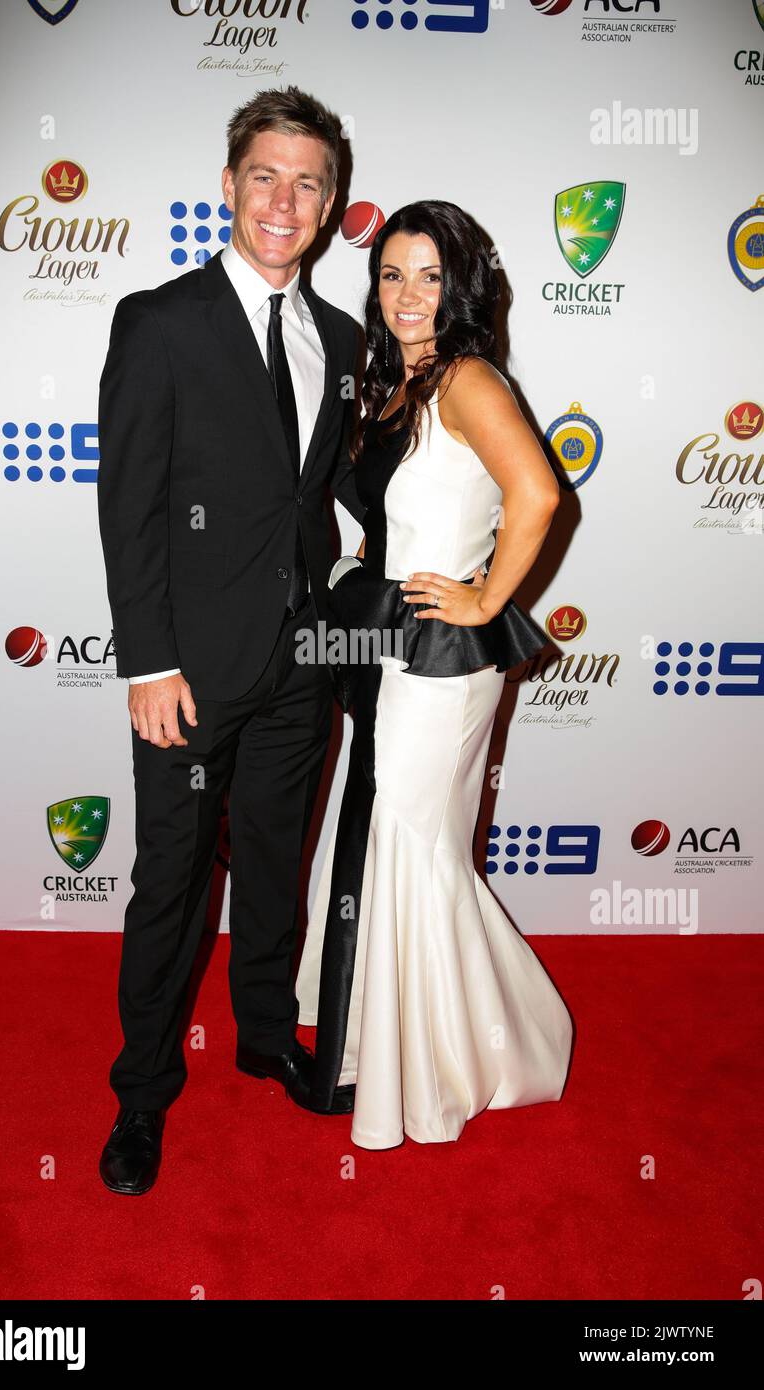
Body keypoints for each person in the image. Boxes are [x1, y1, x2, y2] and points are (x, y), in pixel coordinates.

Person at [95, 86, 368, 1195]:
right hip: (190, 673)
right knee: (170, 882)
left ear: (331, 203)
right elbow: (130, 506)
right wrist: (147, 662)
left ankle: (263, 1036)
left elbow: (335, 493)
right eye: (266, 174)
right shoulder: (158, 322)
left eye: (307, 182)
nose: (284, 199)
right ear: (227, 184)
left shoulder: (342, 339)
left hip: (302, 668)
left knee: (270, 864)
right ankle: (143, 1092)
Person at [296, 200, 575, 1150]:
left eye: (428, 275)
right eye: (390, 274)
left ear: (462, 286)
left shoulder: (466, 379)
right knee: (395, 837)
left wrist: (488, 599)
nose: (407, 295)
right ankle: (390, 1029)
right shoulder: (396, 381)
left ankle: (463, 1056)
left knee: (416, 842)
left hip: (445, 661)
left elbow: (537, 492)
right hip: (391, 648)